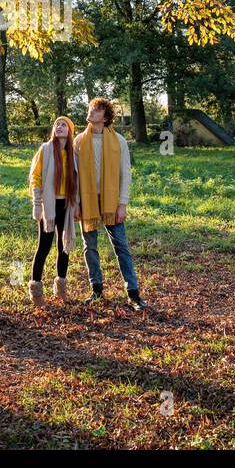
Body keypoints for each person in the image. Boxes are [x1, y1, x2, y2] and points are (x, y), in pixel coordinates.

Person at [72, 98, 146, 310]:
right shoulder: (78, 141)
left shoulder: (119, 141)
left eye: (96, 110)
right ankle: (96, 290)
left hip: (111, 201)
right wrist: (76, 203)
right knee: (90, 247)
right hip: (87, 201)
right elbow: (75, 176)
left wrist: (122, 204)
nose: (91, 112)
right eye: (90, 109)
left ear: (105, 117)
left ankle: (133, 293)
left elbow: (126, 174)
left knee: (121, 246)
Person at [26, 115, 79, 306]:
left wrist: (77, 205)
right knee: (44, 247)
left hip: (66, 204)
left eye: (63, 124)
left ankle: (61, 288)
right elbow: (36, 177)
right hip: (49, 205)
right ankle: (36, 291)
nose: (59, 127)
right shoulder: (46, 149)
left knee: (64, 247)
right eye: (57, 124)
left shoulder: (74, 153)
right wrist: (37, 203)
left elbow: (78, 182)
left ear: (70, 130)